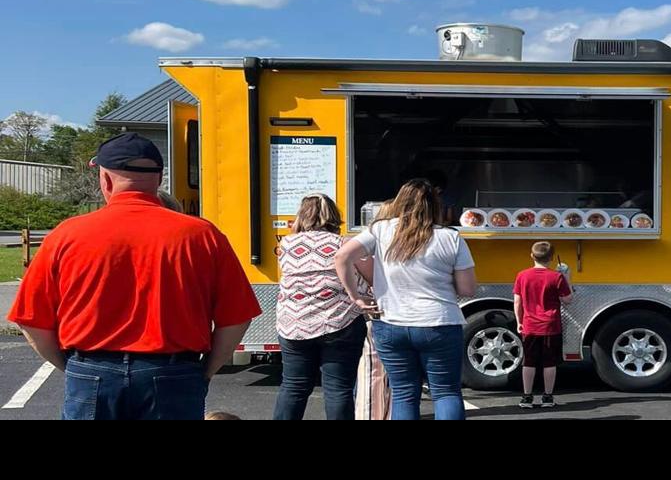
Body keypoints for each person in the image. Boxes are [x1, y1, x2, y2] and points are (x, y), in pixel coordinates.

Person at [5, 132, 261, 420]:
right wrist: (205, 371)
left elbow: (31, 320)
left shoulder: (66, 235)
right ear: (159, 178)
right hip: (174, 372)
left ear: (106, 179)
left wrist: (75, 369)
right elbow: (237, 316)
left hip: (91, 369)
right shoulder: (203, 236)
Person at [333, 178, 477, 420]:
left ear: (400, 202)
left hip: (391, 324)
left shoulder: (381, 230)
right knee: (445, 393)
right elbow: (467, 289)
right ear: (435, 205)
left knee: (403, 394)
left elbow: (342, 257)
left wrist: (356, 297)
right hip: (438, 323)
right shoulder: (450, 237)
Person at [272, 193, 370, 420]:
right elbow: (371, 276)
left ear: (301, 216)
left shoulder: (286, 244)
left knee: (293, 386)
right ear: (334, 216)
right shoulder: (344, 244)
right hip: (339, 322)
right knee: (338, 390)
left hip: (293, 323)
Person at [513, 241, 574, 409]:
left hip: (529, 325)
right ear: (552, 258)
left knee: (529, 361)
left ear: (532, 256)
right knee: (549, 362)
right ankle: (547, 397)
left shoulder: (522, 275)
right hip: (550, 326)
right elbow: (568, 300)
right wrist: (567, 277)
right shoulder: (556, 277)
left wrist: (519, 321)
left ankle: (527, 397)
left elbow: (517, 301)